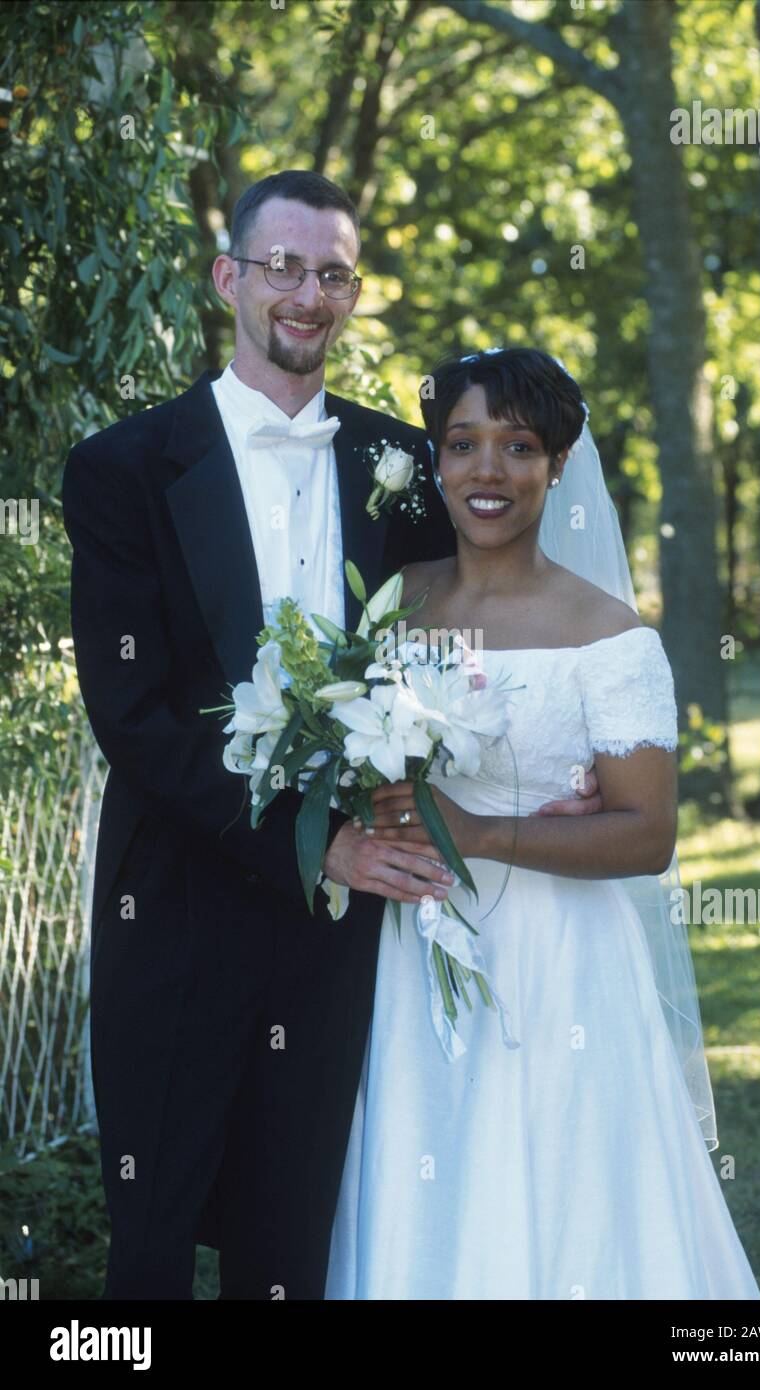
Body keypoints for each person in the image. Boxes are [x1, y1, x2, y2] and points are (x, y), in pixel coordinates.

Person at [61, 170, 469, 1299]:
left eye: (333, 273)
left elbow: (444, 662)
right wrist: (310, 835)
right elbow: (133, 715)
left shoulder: (403, 473)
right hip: (178, 900)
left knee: (292, 1234)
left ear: (352, 295)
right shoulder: (121, 470)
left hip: (340, 928)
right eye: (284, 266)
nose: (308, 293)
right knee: (152, 1238)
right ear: (228, 277)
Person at [324, 346, 760, 1300]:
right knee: (430, 1161)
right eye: (463, 445)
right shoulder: (392, 606)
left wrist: (472, 833)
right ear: (434, 462)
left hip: (562, 958)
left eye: (518, 447)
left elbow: (647, 836)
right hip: (415, 943)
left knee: (570, 1186)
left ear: (558, 465)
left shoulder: (607, 637)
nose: (488, 471)